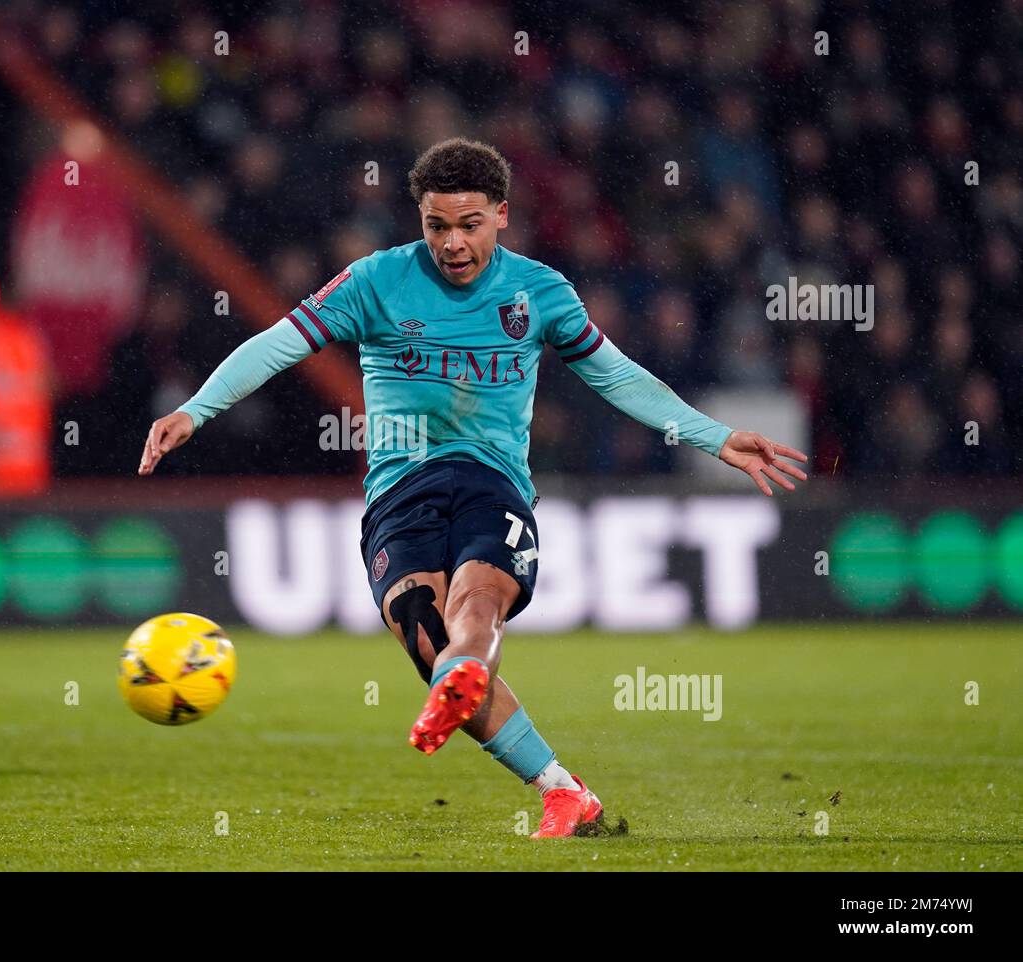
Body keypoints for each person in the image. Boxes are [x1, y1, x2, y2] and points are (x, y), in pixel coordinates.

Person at [138, 138, 806, 837]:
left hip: (492, 484)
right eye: (437, 226)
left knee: (475, 601)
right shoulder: (375, 281)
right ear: (420, 220)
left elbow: (616, 374)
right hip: (398, 495)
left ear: (502, 216)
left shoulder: (541, 292)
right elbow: (280, 341)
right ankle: (561, 788)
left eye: (469, 224)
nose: (453, 243)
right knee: (426, 634)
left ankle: (463, 675)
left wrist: (713, 436)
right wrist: (196, 409)